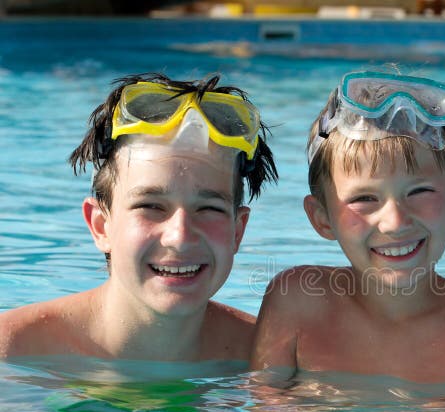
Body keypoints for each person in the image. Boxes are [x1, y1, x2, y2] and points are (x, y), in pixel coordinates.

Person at [251, 70, 445, 384]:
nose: (396, 223)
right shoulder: (296, 303)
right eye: (364, 198)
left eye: (419, 192)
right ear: (321, 218)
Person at [0, 72, 278, 361]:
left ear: (238, 231)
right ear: (100, 226)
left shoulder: (264, 360)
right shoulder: (14, 351)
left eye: (209, 209)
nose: (179, 237)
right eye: (151, 206)